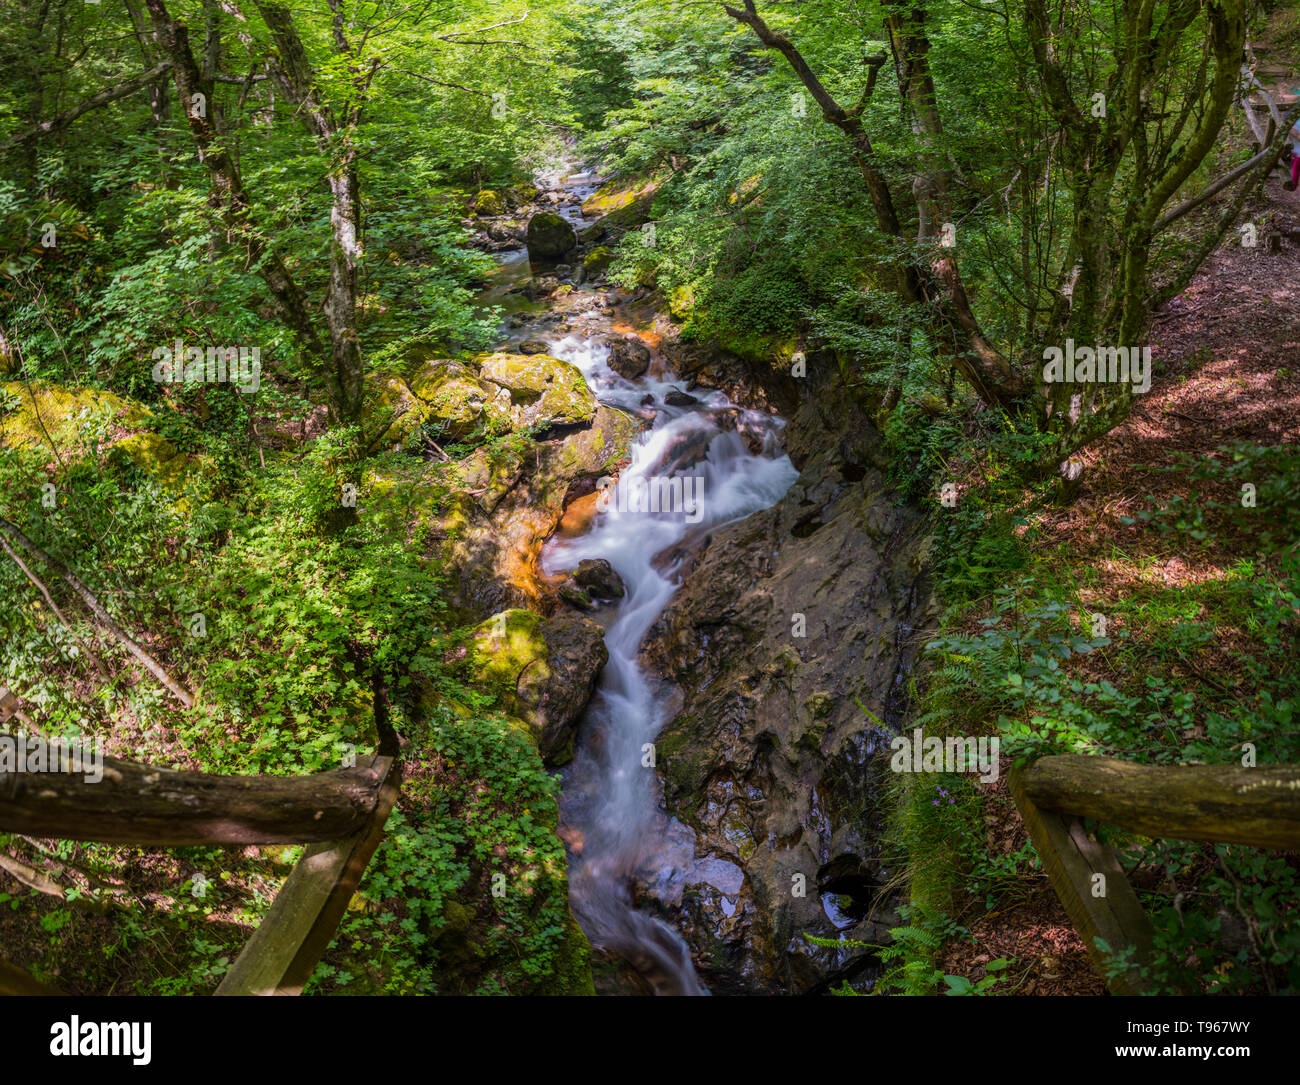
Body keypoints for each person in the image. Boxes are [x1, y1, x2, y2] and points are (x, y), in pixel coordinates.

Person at [1286, 118, 1300, 191]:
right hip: (1296, 149)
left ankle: (1293, 186)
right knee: (1295, 167)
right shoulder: (1295, 119)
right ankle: (1293, 186)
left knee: (1295, 167)